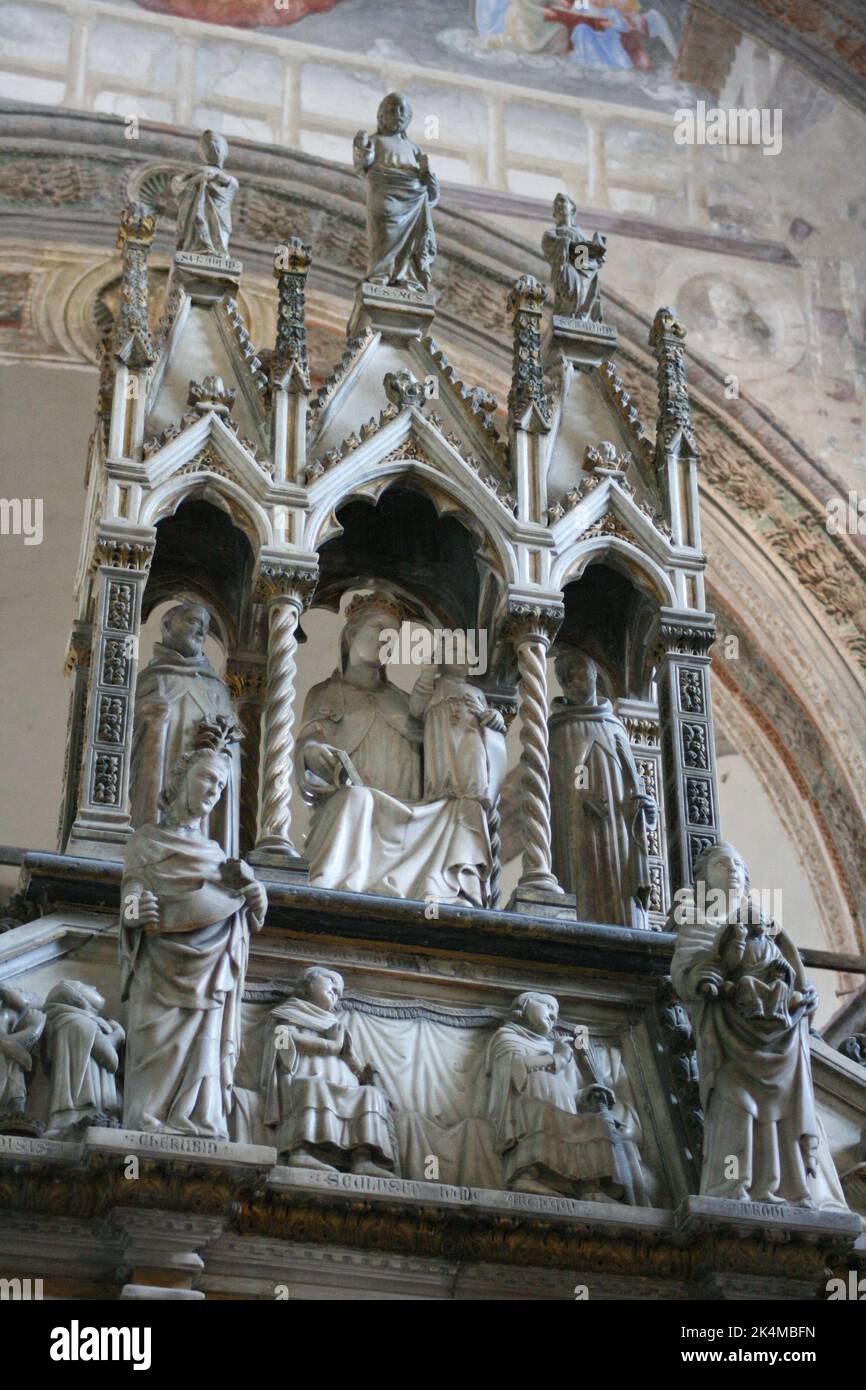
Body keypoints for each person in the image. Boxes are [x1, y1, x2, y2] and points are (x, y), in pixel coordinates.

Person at [670, 841, 849, 1209]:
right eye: (721, 865)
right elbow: (688, 972)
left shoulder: (769, 927)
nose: (733, 870)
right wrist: (711, 975)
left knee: (786, 1112)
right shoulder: (699, 923)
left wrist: (806, 994)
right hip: (732, 1040)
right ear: (704, 879)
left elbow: (792, 971)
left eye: (738, 865)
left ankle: (793, 1189)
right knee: (737, 1107)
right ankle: (736, 1186)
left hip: (779, 1042)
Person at [297, 594, 497, 906]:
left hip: (412, 816)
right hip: (357, 812)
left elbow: (445, 741)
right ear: (351, 635)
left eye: (393, 636)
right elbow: (308, 743)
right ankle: (337, 884)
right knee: (358, 800)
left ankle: (452, 890)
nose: (386, 640)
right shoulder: (325, 694)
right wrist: (312, 753)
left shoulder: (405, 702)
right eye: (378, 629)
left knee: (462, 809)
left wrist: (480, 729)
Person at [121, 718, 266, 1138]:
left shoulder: (217, 855)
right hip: (160, 968)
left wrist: (255, 894)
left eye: (220, 788)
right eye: (206, 780)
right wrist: (134, 909)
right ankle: (149, 1117)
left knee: (204, 1047)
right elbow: (132, 890)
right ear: (182, 780)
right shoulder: (147, 841)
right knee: (154, 1049)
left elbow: (245, 913)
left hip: (210, 974)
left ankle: (199, 1118)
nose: (212, 792)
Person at [486, 990, 643, 1199]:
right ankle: (525, 1178)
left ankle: (589, 1187)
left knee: (597, 1125)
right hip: (526, 1106)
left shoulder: (552, 1046)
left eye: (556, 1014)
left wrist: (584, 1095)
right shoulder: (508, 1036)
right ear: (526, 1004)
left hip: (559, 1108)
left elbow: (564, 1089)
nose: (553, 1016)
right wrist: (558, 1057)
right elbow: (515, 1069)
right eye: (548, 1007)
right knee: (543, 1115)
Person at [548, 647, 655, 927]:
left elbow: (635, 783)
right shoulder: (559, 730)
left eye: (577, 672)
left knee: (620, 894)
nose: (571, 682)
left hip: (617, 827)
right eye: (564, 678)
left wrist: (646, 810)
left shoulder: (614, 726)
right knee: (582, 886)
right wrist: (579, 801)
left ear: (594, 674)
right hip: (577, 831)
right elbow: (554, 785)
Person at [261, 966, 397, 1176]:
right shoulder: (289, 1013)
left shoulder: (336, 1025)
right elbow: (282, 1039)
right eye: (331, 981)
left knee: (370, 1095)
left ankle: (362, 1158)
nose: (337, 991)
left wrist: (362, 1070)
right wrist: (331, 1046)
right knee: (314, 1087)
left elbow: (351, 1061)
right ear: (306, 985)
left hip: (343, 1085)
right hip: (307, 1078)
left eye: (340, 991)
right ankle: (302, 1152)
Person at [130, 602, 240, 854]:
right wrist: (151, 716)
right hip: (160, 768)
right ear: (167, 626)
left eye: (205, 628)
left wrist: (222, 740)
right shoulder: (152, 678)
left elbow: (232, 743)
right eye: (192, 622)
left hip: (205, 789)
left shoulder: (216, 687)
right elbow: (122, 733)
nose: (201, 633)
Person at [353, 93, 440, 292]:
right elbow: (362, 166)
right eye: (392, 110)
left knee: (411, 243)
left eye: (402, 111)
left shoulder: (414, 148)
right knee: (384, 234)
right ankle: (379, 274)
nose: (398, 114)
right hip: (385, 194)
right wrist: (362, 147)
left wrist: (429, 179)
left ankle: (406, 277)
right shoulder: (375, 140)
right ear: (382, 117)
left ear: (408, 117)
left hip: (413, 198)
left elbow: (431, 194)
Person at [409, 659, 506, 805]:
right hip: (442, 740)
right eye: (454, 650)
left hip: (471, 736)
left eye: (466, 653)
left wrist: (495, 716)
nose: (461, 657)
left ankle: (475, 796)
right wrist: (427, 675)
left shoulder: (476, 691)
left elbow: (488, 718)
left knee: (474, 762)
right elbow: (416, 709)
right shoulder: (433, 686)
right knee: (445, 775)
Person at [42, 980, 124, 1135]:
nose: (93, 986)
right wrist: (118, 1035)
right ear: (78, 1000)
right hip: (87, 1110)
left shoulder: (60, 1025)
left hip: (67, 1112)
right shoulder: (82, 1023)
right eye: (84, 986)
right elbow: (111, 1060)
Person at [171, 129, 238, 258]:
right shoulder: (195, 172)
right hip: (195, 219)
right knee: (197, 224)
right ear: (202, 153)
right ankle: (198, 247)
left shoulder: (228, 180)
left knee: (220, 233)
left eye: (217, 144)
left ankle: (218, 250)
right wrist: (196, 179)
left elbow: (232, 184)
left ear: (226, 152)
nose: (214, 147)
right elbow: (177, 183)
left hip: (220, 215)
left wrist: (215, 176)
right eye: (209, 145)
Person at [541, 192, 607, 320]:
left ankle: (583, 318)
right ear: (554, 214)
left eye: (562, 201)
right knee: (571, 294)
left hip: (586, 273)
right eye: (556, 204)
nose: (559, 204)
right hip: (567, 269)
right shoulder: (552, 232)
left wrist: (599, 251)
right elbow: (549, 244)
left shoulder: (582, 235)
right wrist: (570, 245)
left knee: (585, 299)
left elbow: (596, 259)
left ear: (572, 208)